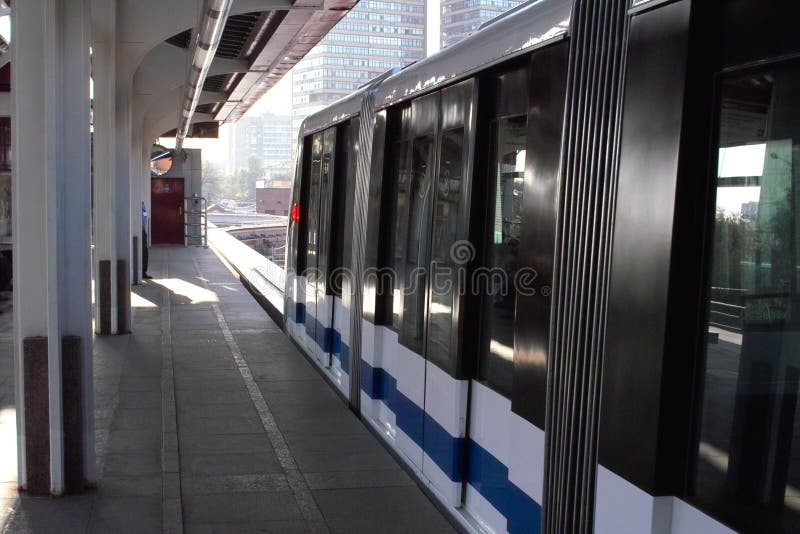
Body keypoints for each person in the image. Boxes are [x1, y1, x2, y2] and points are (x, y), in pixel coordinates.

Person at [142, 201, 151, 279]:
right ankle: (142, 272)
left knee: (145, 252)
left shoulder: (142, 203)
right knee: (144, 251)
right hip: (139, 230)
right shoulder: (138, 203)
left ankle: (143, 271)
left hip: (142, 229)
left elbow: (145, 215)